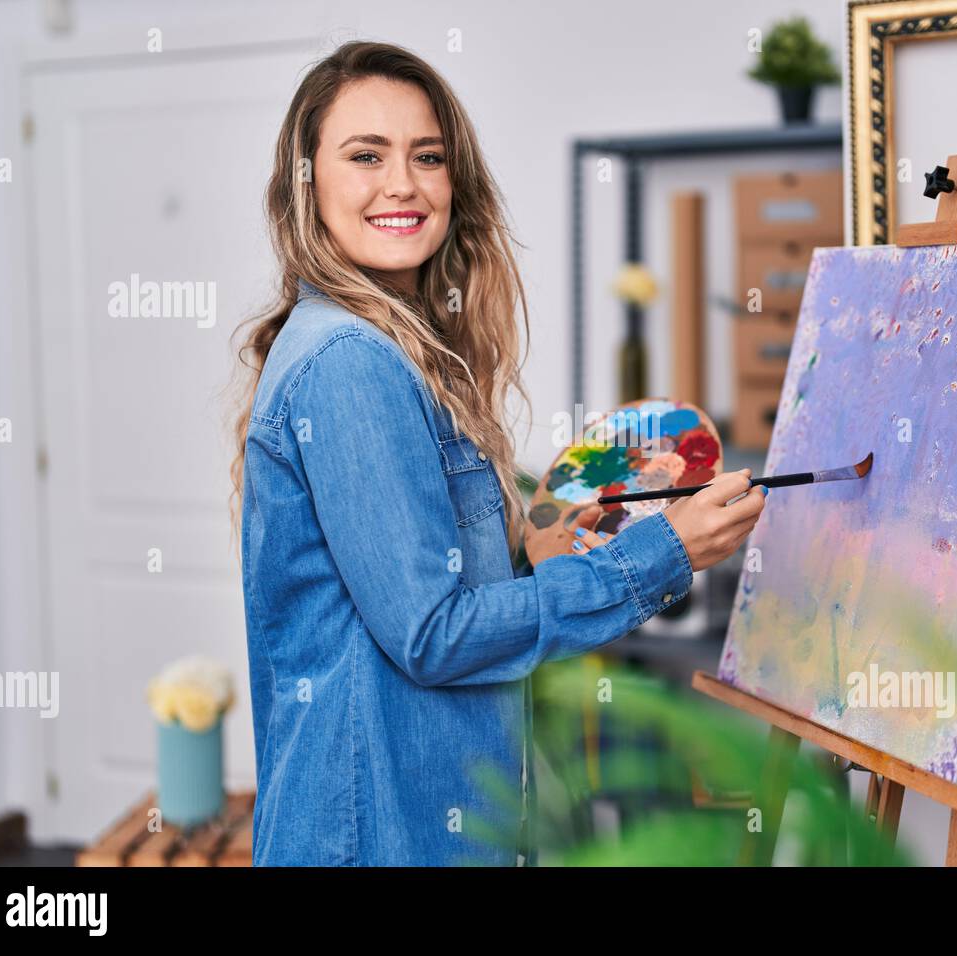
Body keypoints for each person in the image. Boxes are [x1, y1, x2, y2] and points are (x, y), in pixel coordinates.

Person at [229, 40, 765, 865]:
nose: (401, 183)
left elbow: (414, 593)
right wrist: (663, 553)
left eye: (427, 157)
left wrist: (531, 549)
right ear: (306, 184)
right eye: (365, 155)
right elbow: (434, 635)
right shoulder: (351, 363)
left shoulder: (385, 349)